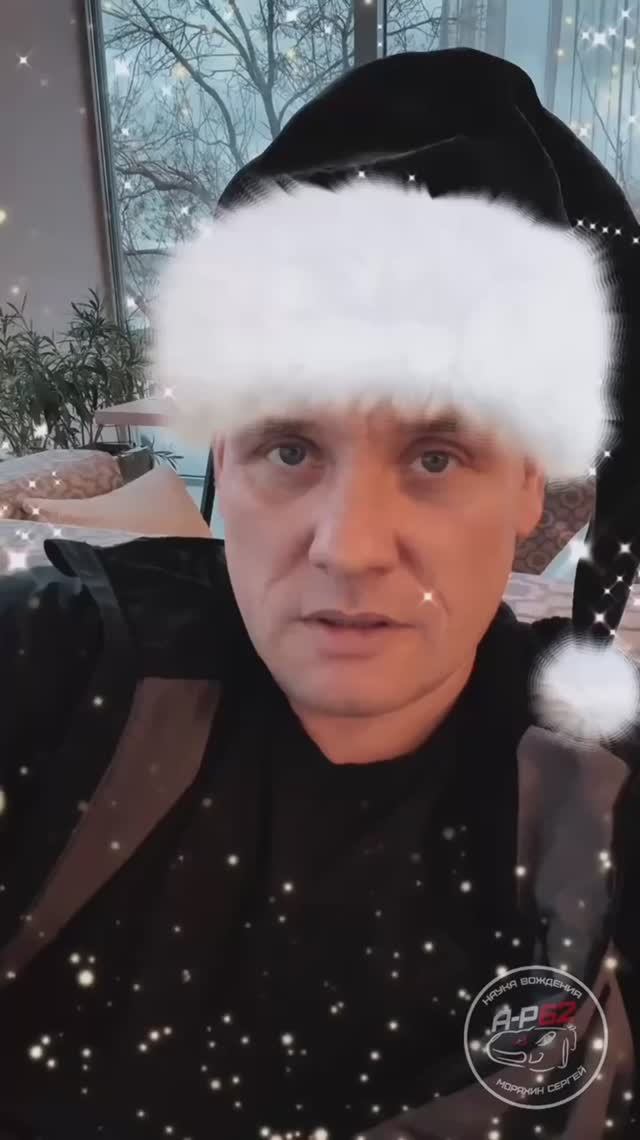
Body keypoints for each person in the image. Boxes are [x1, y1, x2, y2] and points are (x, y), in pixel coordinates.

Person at [1, 46, 640, 1140]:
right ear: (222, 459)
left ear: (530, 481)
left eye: (436, 455)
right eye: (290, 449)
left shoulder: (604, 792)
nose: (349, 548)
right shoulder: (59, 674)